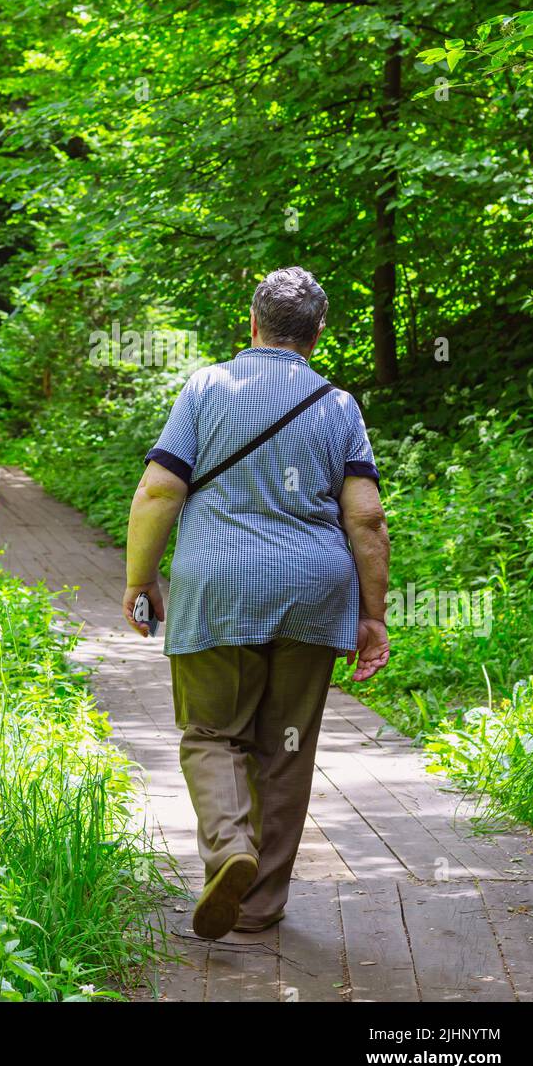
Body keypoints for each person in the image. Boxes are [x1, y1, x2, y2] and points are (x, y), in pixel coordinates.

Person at [122, 266, 390, 940]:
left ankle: (228, 847)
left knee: (213, 734)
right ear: (317, 334)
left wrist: (140, 580)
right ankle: (261, 905)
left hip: (220, 591)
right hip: (313, 596)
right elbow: (366, 518)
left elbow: (159, 492)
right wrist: (374, 614)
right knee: (286, 748)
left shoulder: (207, 387)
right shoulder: (338, 406)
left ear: (253, 324)